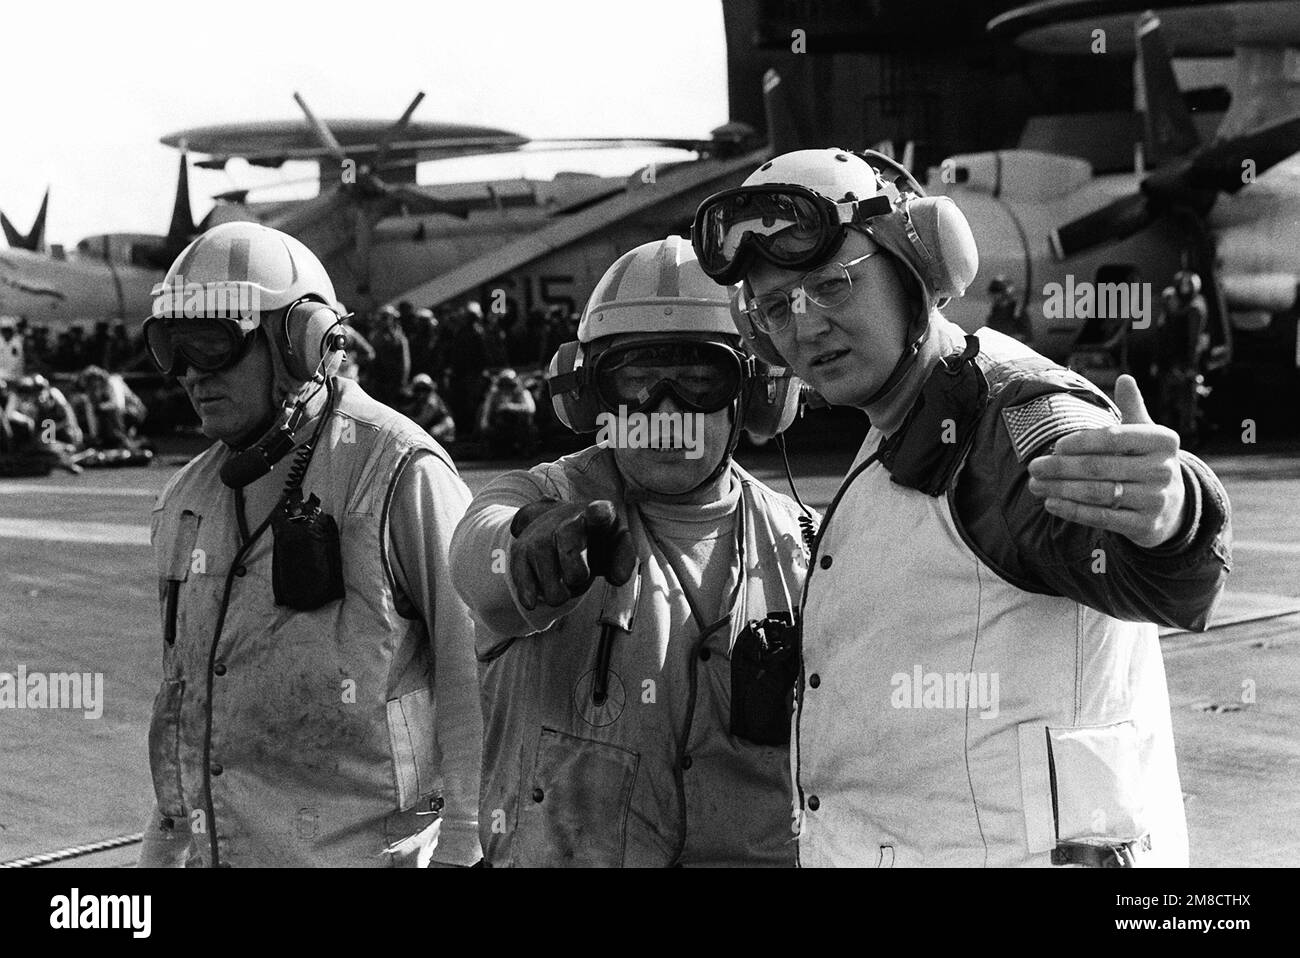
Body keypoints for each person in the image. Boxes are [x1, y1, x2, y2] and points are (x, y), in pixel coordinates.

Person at [692, 148, 1232, 867]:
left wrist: (1174, 515)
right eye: (776, 307)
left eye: (830, 286)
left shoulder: (1013, 414)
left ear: (918, 267)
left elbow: (1147, 563)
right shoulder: (897, 427)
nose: (806, 327)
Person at [449, 236, 812, 867]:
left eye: (700, 379)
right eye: (636, 381)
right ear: (588, 395)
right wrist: (528, 547)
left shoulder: (803, 546)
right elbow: (479, 559)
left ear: (755, 393)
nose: (664, 410)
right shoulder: (541, 497)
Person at [137, 222, 481, 868]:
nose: (188, 374)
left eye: (211, 344)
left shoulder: (398, 471)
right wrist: (162, 853)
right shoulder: (185, 500)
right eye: (170, 347)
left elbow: (477, 672)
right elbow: (181, 702)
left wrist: (464, 846)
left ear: (299, 343)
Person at [476, 368, 536, 458]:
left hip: (518, 425)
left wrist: (510, 407)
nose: (506, 386)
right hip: (500, 425)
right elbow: (486, 411)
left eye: (509, 383)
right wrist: (485, 424)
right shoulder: (494, 394)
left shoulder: (523, 393)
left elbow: (531, 409)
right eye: (504, 383)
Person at [367, 304, 411, 407]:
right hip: (379, 381)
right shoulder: (376, 336)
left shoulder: (399, 338)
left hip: (394, 382)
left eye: (386, 317)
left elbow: (405, 363)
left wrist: (402, 382)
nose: (384, 320)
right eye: (383, 317)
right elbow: (372, 358)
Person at [402, 372, 457, 443]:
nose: (422, 393)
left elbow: (446, 420)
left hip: (434, 432)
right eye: (419, 389)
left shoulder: (434, 402)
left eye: (425, 389)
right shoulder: (409, 401)